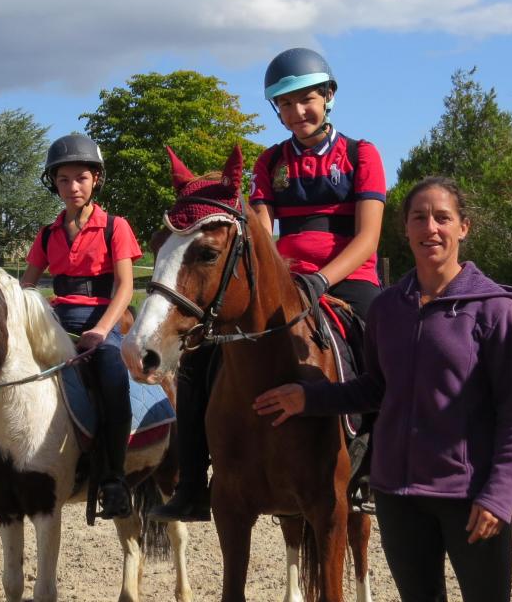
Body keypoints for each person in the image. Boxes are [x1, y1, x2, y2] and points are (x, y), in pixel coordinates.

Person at [253, 177, 512, 602]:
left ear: (464, 227)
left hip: (468, 495)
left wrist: (498, 497)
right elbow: (375, 388)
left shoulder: (495, 310)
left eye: (443, 218)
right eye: (419, 218)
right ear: (405, 229)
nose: (430, 228)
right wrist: (309, 398)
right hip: (399, 497)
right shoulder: (388, 308)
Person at [151, 47, 386, 521]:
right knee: (200, 360)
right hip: (286, 280)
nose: (297, 111)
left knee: (380, 347)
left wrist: (323, 279)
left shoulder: (362, 154)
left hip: (348, 277)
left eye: (306, 100)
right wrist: (285, 280)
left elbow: (368, 236)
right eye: (284, 103)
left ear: (329, 97)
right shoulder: (269, 162)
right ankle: (194, 484)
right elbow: (259, 233)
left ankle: (374, 473)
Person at [0, 134, 141, 520]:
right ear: (53, 184)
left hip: (100, 322)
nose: (72, 187)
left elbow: (125, 287)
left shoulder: (115, 227)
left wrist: (103, 329)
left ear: (96, 180)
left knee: (112, 376)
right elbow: (25, 286)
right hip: (55, 321)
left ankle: (113, 479)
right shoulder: (47, 233)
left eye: (80, 178)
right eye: (63, 180)